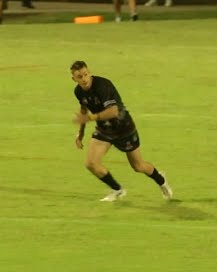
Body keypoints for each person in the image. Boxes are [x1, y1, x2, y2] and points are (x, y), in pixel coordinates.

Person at [70, 60, 172, 202]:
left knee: (138, 166)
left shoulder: (102, 86)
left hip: (123, 128)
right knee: (91, 163)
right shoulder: (78, 91)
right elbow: (83, 111)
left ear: (90, 72)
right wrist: (81, 133)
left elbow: (113, 111)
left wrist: (90, 117)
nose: (84, 79)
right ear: (73, 78)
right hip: (104, 129)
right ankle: (117, 189)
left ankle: (161, 180)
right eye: (79, 76)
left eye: (85, 74)